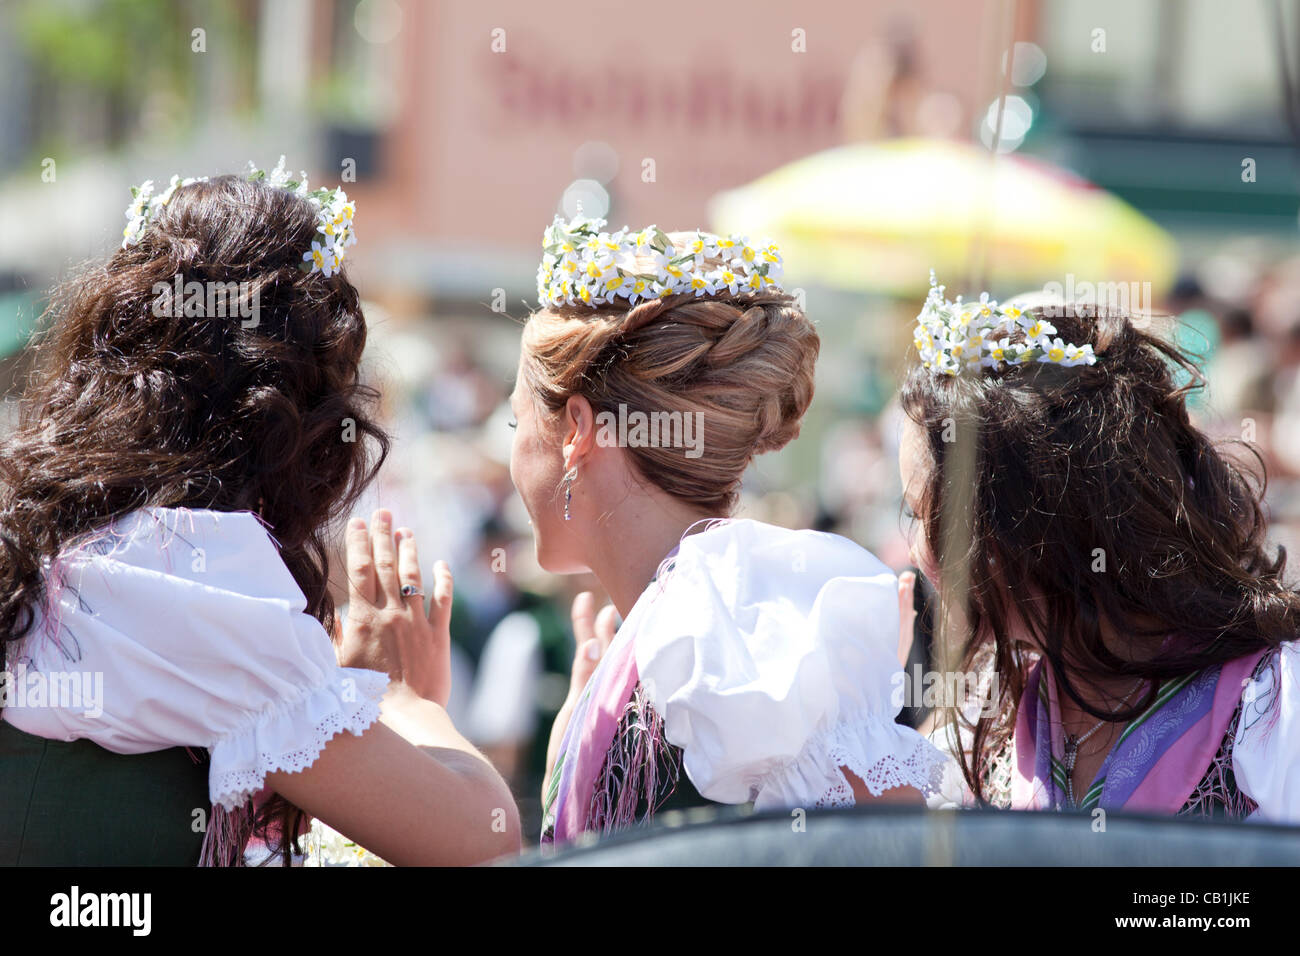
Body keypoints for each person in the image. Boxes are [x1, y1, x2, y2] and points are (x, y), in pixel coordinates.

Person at [0, 160, 520, 866]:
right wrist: (403, 698)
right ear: (283, 410)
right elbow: (478, 841)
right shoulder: (193, 576)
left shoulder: (34, 520)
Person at [514, 216, 952, 845]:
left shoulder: (740, 635)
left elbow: (891, 844)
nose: (511, 458)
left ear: (578, 431)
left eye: (515, 425)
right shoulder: (685, 627)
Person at [901, 274, 1300, 820]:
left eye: (929, 517)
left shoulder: (1276, 711)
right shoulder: (982, 721)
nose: (918, 553)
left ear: (1032, 533)